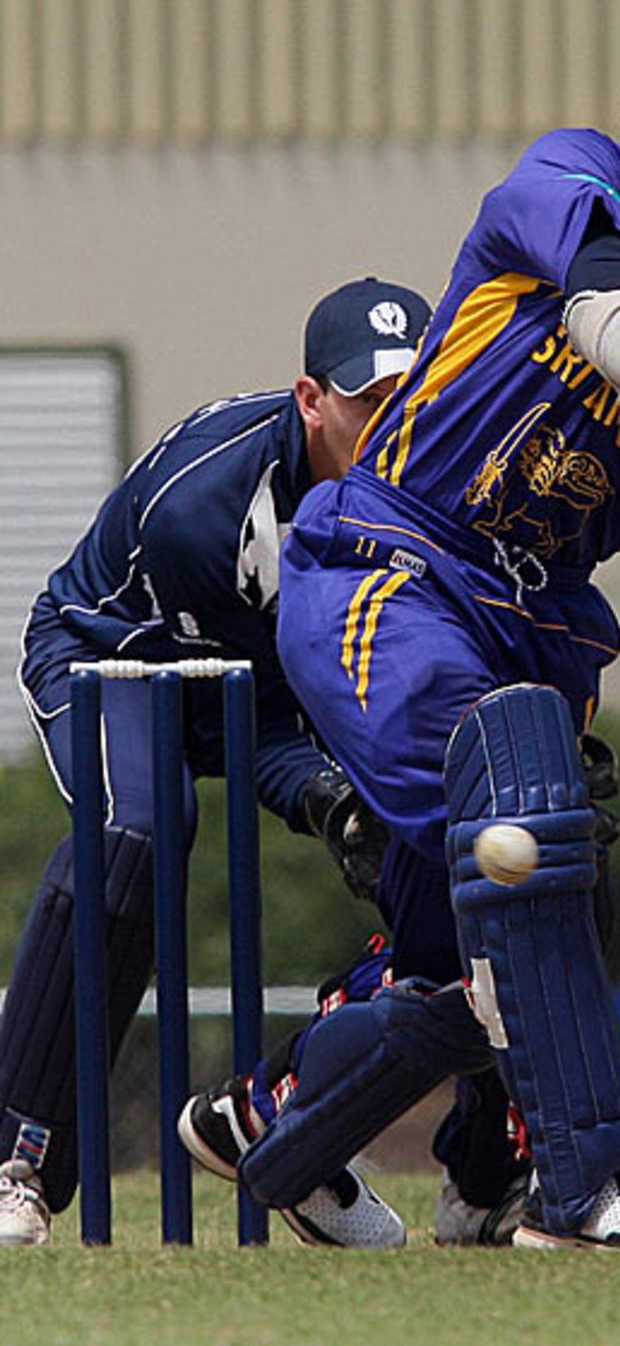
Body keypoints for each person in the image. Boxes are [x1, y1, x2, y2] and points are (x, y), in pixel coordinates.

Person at [185, 5, 620, 1249]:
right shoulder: (569, 177)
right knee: (522, 838)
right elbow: (607, 301)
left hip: (541, 618)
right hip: (394, 565)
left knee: (532, 905)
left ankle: (299, 1122)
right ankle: (596, 1186)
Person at [0, 277, 432, 1249]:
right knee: (140, 831)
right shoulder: (212, 507)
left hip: (255, 677)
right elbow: (237, 715)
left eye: (412, 401)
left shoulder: (432, 485)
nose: (392, 427)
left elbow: (309, 703)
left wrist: (348, 805)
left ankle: (320, 1144)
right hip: (108, 653)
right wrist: (321, 788)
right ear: (311, 399)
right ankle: (15, 1157)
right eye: (369, 404)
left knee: (442, 838)